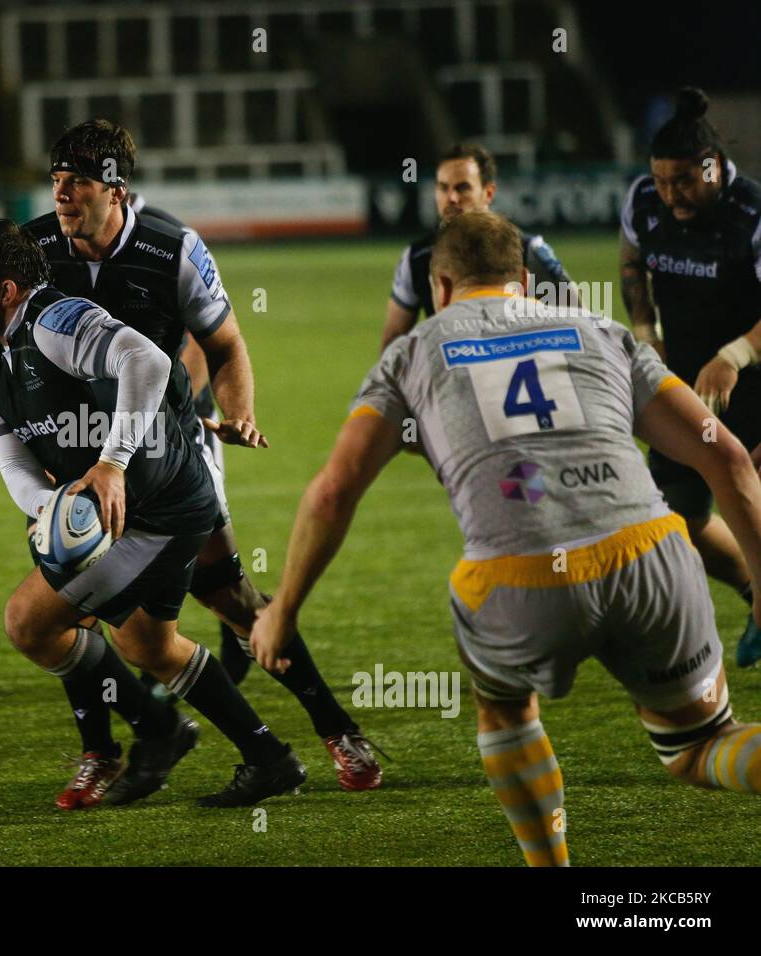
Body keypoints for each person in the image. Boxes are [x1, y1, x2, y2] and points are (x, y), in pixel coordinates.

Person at [252, 210, 761, 866]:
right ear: (525, 279)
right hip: (651, 554)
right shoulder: (599, 331)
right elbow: (728, 460)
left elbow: (332, 491)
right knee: (698, 746)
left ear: (438, 288)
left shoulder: (412, 351)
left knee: (503, 708)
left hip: (521, 578)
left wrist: (282, 611)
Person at [15, 120, 377, 808]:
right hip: (81, 452)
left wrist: (237, 411)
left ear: (115, 187)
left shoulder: (172, 246)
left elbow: (226, 344)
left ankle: (338, 730)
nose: (62, 195)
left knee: (229, 595)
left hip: (176, 449)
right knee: (72, 591)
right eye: (57, 180)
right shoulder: (34, 248)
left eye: (79, 182)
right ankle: (103, 751)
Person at [0, 218, 307, 807]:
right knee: (148, 645)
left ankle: (159, 729)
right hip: (134, 510)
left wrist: (112, 463)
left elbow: (148, 361)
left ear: (8, 288)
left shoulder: (57, 320)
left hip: (163, 504)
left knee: (27, 621)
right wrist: (56, 509)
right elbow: (13, 463)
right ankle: (268, 756)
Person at [618, 86, 761, 666]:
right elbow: (631, 265)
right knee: (677, 518)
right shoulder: (644, 200)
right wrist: (645, 330)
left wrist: (733, 355)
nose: (669, 194)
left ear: (714, 167)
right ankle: (756, 591)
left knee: (748, 492)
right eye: (660, 181)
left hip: (751, 373)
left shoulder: (752, 212)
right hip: (682, 382)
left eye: (683, 182)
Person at [381, 143, 570, 352]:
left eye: (463, 187)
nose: (451, 198)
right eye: (443, 187)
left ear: (488, 193)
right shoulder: (416, 258)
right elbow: (392, 342)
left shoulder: (529, 251)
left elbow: (579, 323)